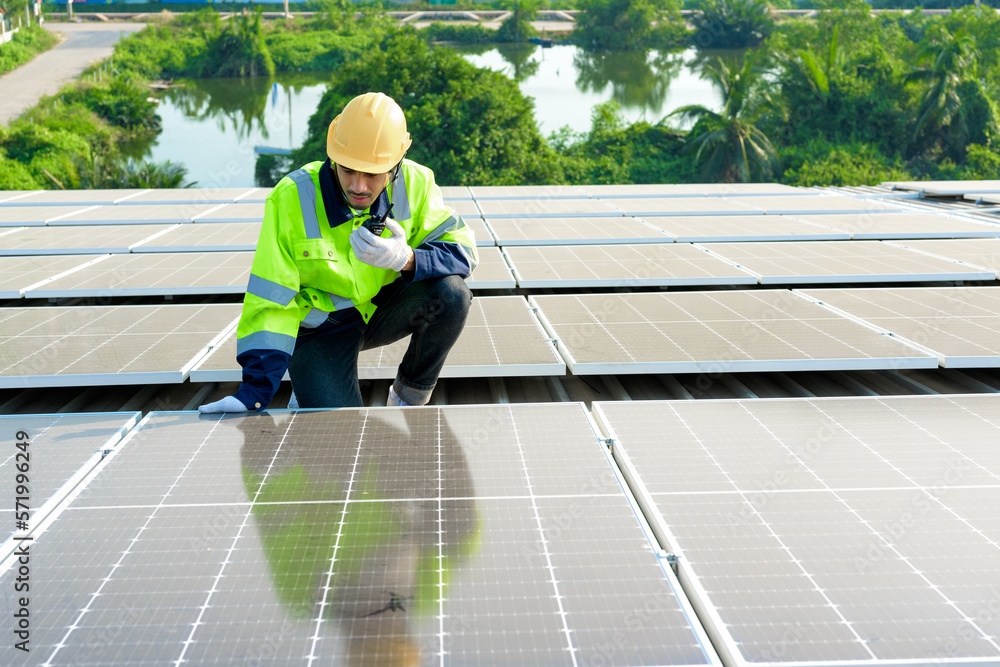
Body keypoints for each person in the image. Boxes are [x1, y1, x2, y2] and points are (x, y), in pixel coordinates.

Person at [200, 92, 477, 413]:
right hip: (320, 329)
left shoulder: (416, 183)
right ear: (333, 157)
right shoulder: (292, 198)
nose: (358, 186)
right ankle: (310, 385)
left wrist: (409, 260)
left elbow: (464, 252)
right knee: (339, 436)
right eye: (348, 170)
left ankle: (407, 400)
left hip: (380, 312)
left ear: (396, 163)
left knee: (452, 294)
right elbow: (272, 300)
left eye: (372, 173)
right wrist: (255, 391)